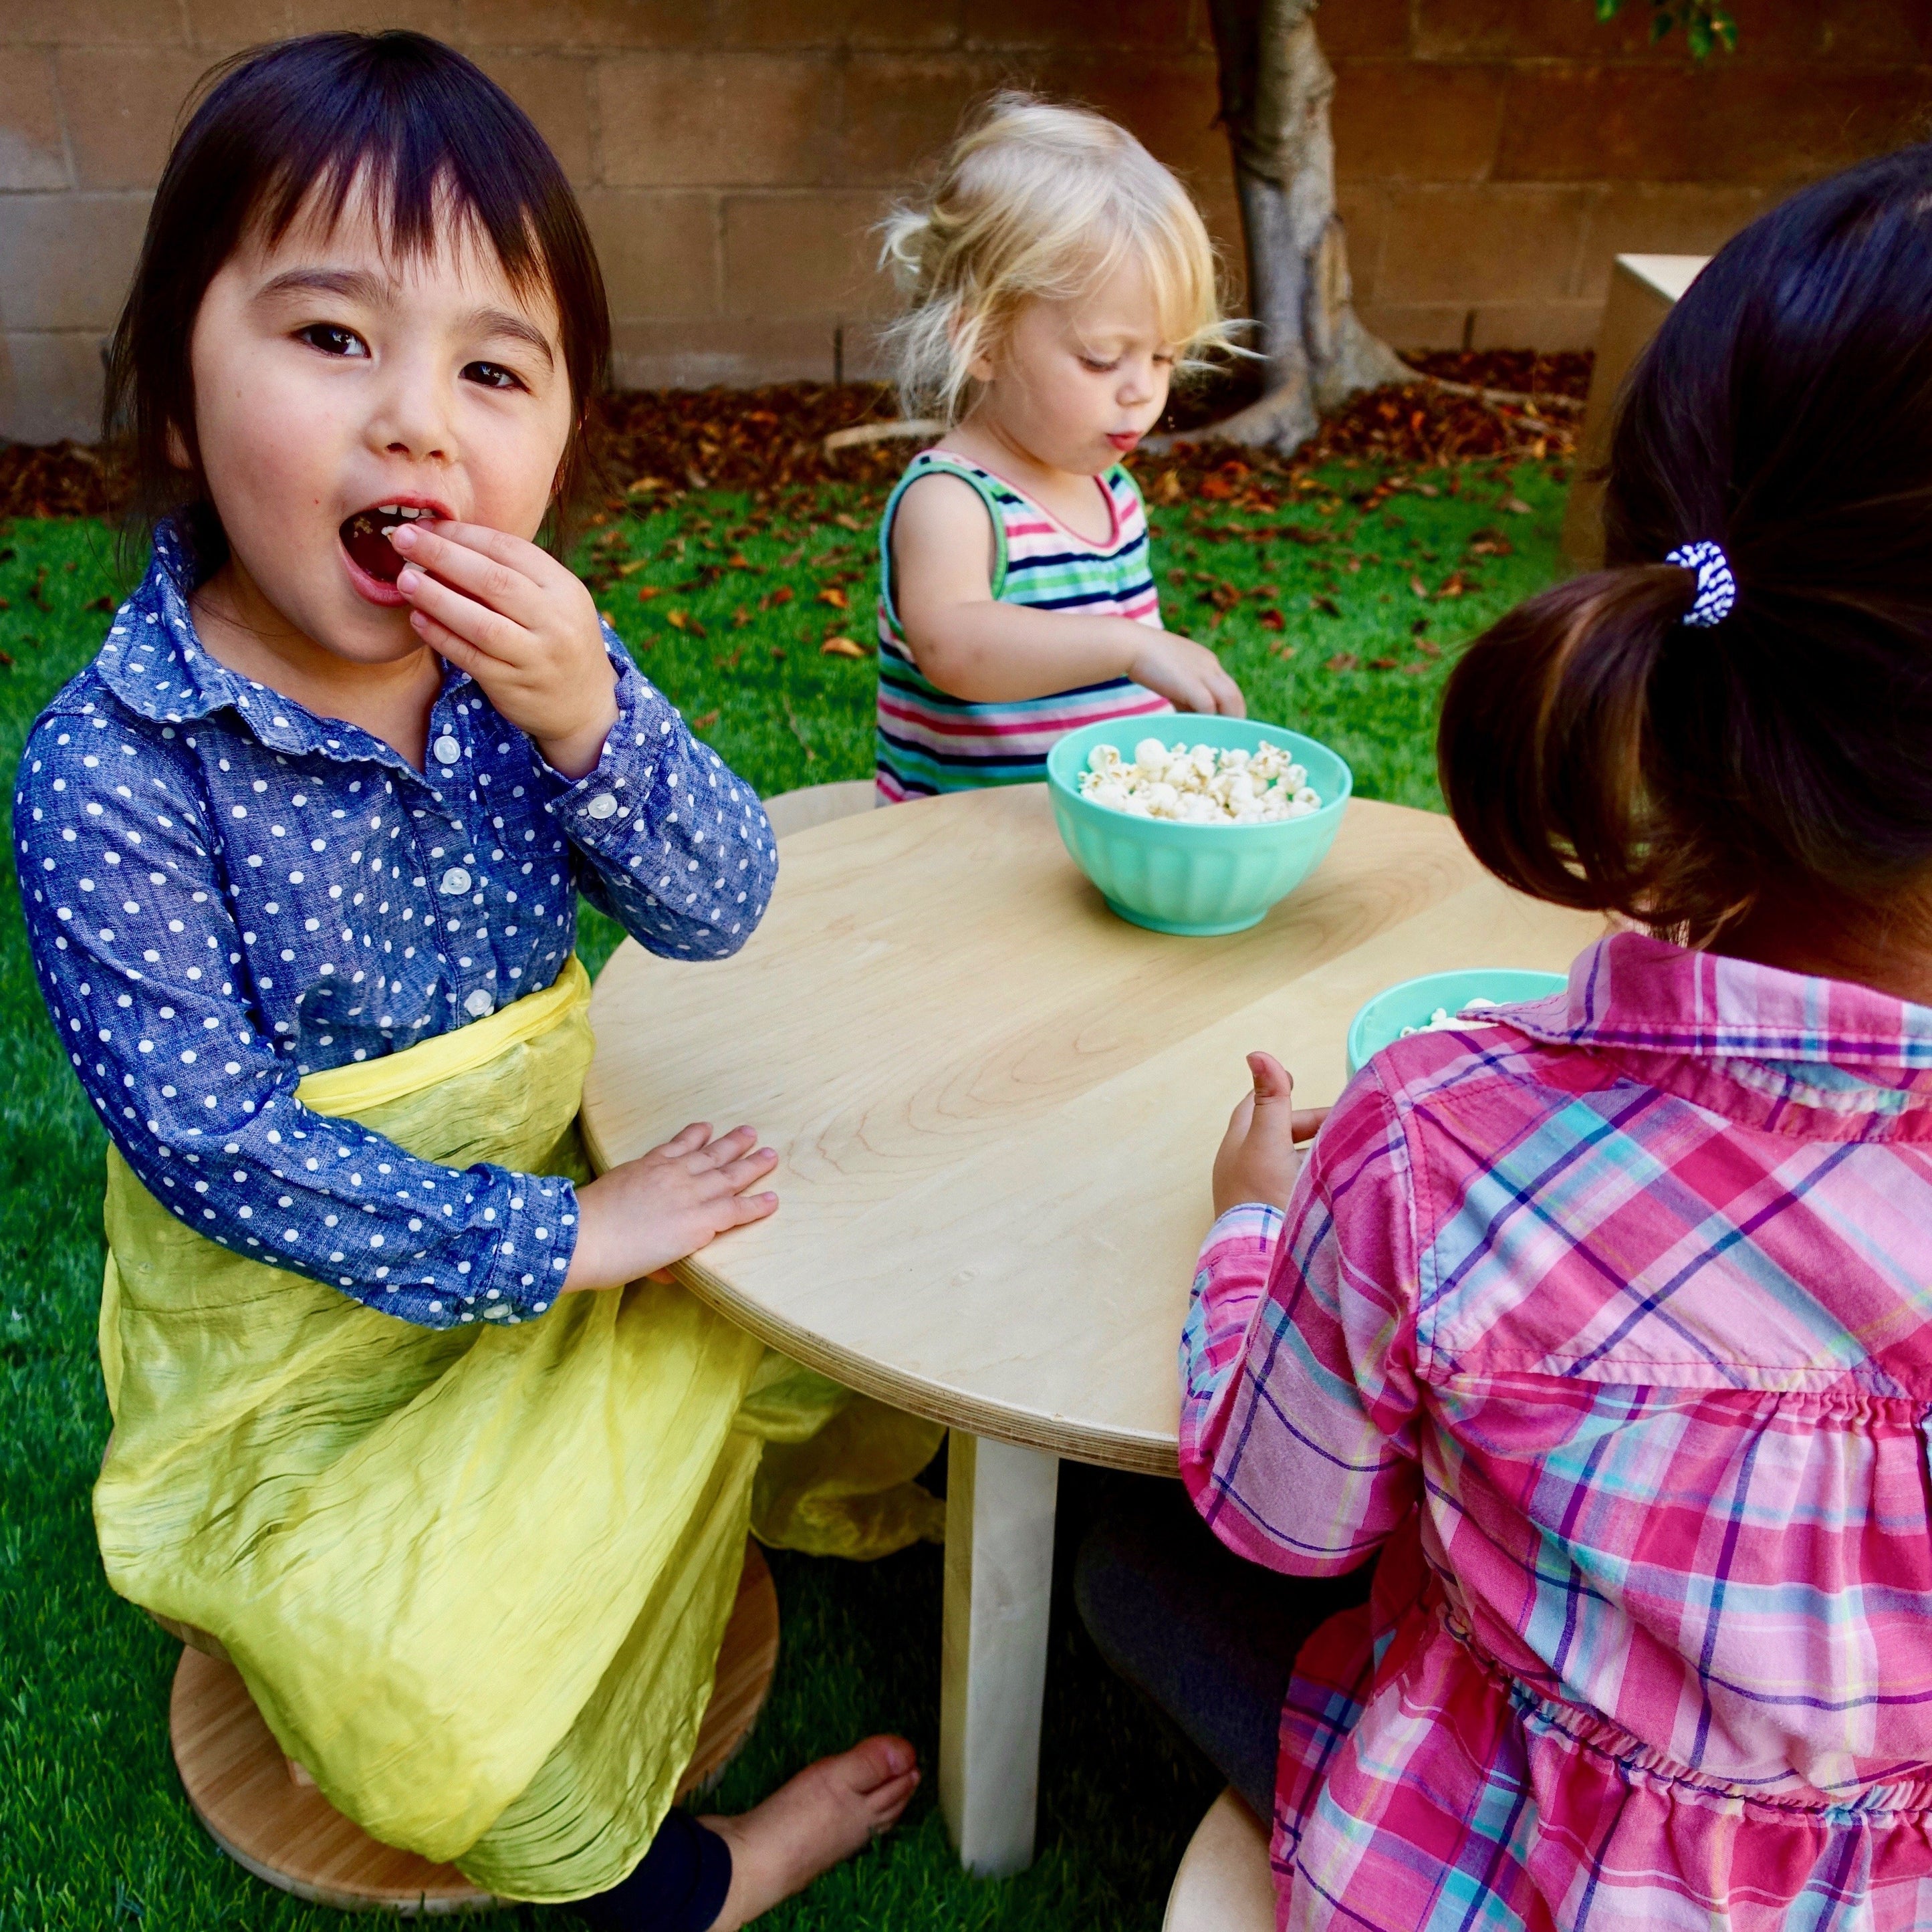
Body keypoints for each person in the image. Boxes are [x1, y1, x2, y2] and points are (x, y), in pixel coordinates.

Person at [14, 34, 945, 1930]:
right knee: (426, 1711)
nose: (419, 424)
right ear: (179, 401)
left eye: (493, 370)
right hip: (297, 1365)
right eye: (333, 338)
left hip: (560, 1244)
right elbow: (218, 1148)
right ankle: (704, 1874)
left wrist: (599, 717)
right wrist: (567, 1242)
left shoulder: (526, 690)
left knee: (860, 1279)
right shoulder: (115, 766)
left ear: (559, 438)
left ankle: (652, 1513)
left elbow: (716, 902)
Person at [1078, 146, 1932, 1929]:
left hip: (1495, 1864)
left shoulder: (1441, 1132)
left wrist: (1250, 1230)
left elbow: (1282, 1512)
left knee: (1132, 1564)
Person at [870, 93, 1246, 804]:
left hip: (1092, 837)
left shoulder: (1111, 492)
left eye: (1164, 357)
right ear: (981, 341)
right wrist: (1131, 647)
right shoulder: (952, 500)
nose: (1142, 391)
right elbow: (956, 647)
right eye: (1103, 360)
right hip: (964, 855)